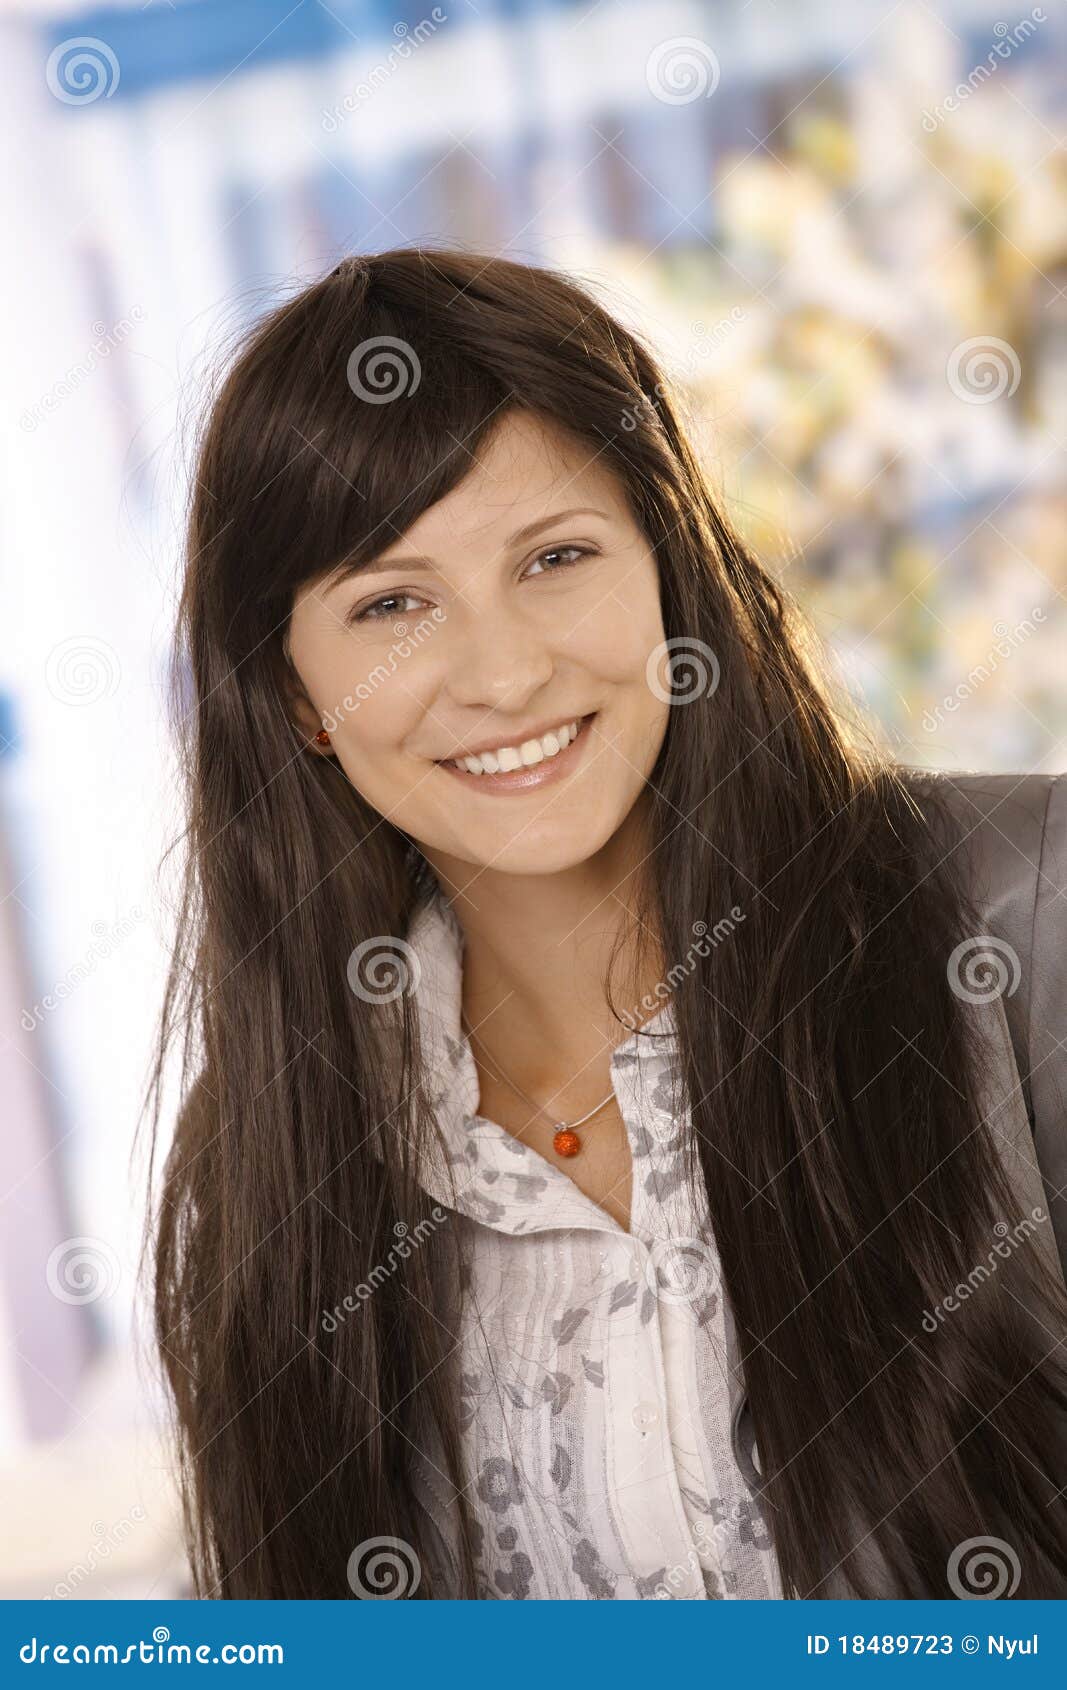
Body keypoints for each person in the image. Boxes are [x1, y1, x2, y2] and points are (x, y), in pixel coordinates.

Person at [146, 246, 1067, 1600]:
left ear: (669, 571)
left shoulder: (1023, 913)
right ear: (294, 696)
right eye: (392, 603)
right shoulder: (274, 1151)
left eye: (557, 557)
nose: (506, 671)